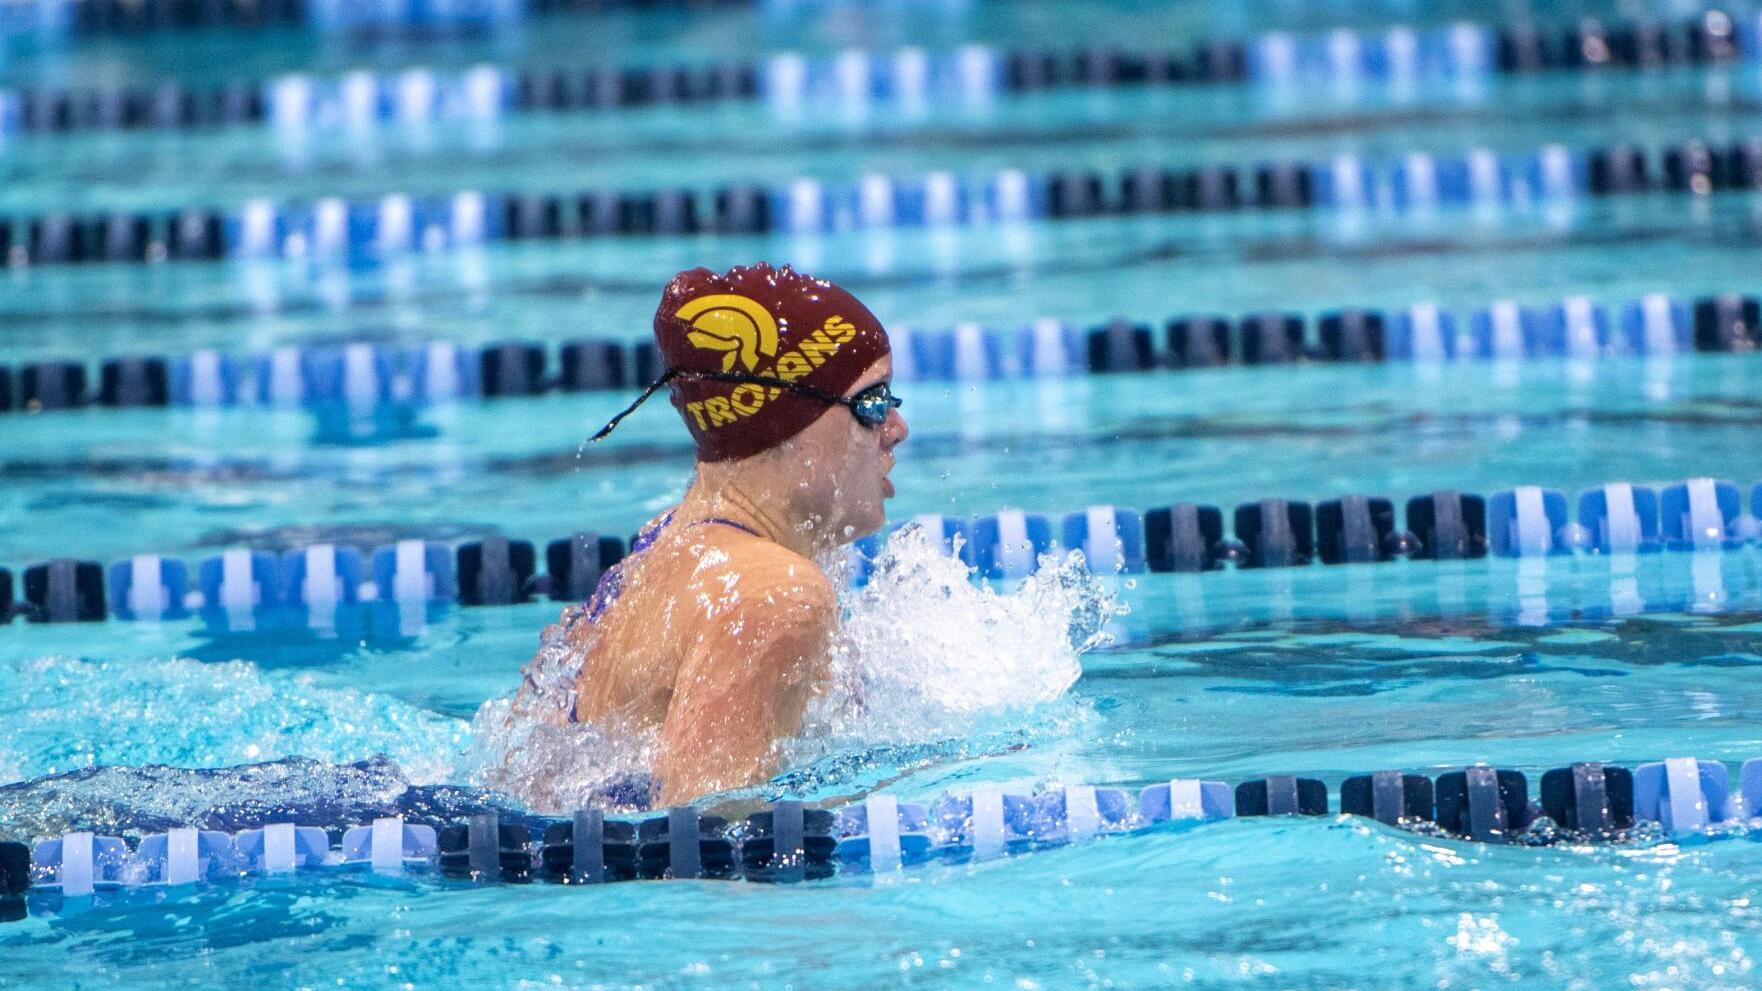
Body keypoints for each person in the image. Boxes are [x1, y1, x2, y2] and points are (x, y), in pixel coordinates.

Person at [509, 263, 907, 806]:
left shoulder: (669, 542)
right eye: (873, 402)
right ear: (790, 421)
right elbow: (713, 850)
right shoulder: (774, 595)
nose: (897, 429)